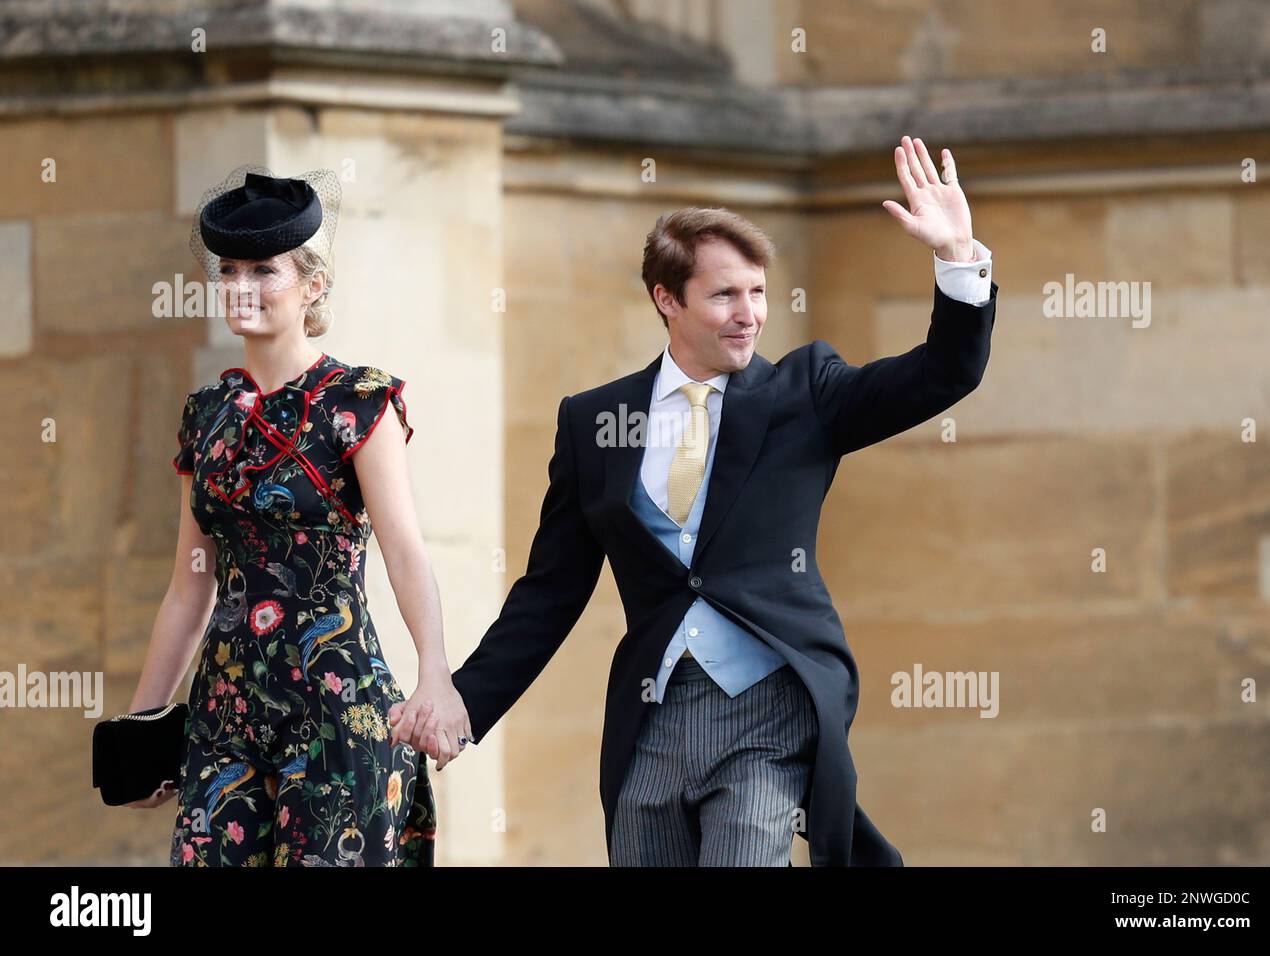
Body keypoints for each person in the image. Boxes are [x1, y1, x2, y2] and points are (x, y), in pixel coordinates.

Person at [392, 135, 997, 866]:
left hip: (771, 711)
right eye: (724, 295)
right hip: (653, 718)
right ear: (666, 300)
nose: (749, 314)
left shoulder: (807, 392)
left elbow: (944, 373)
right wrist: (464, 703)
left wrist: (957, 256)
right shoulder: (593, 423)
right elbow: (550, 592)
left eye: (758, 292)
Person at [125, 165, 471, 866]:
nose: (242, 287)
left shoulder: (360, 402)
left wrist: (435, 673)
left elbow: (406, 552)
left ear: (313, 284)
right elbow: (189, 585)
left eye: (263, 271)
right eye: (229, 271)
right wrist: (143, 723)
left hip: (337, 709)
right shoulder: (207, 414)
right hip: (223, 709)